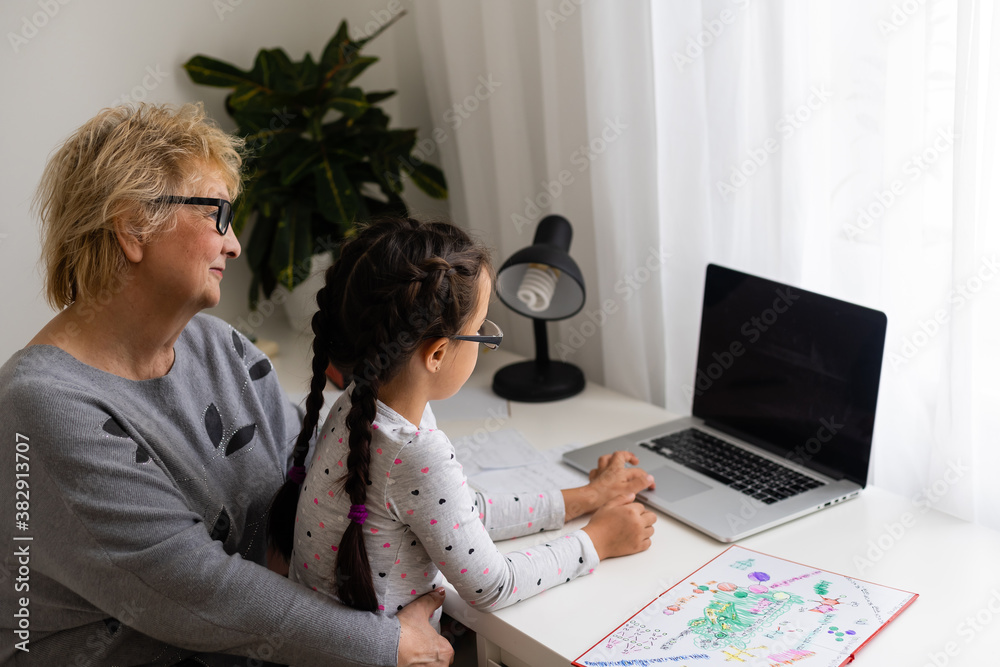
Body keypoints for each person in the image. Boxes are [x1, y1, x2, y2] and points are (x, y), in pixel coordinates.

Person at [0, 103, 452, 666]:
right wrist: (387, 644)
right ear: (132, 226)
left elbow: (331, 476)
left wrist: (572, 509)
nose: (234, 244)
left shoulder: (216, 345)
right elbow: (197, 588)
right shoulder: (42, 406)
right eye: (218, 215)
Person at [267, 218, 658, 621]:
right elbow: (493, 586)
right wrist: (598, 541)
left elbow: (462, 511)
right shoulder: (414, 451)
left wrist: (587, 497)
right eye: (481, 331)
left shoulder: (359, 401)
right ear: (436, 354)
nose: (486, 340)